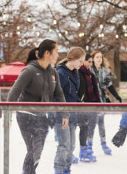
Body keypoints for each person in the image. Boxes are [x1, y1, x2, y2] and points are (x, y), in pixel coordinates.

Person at [7, 39, 67, 174]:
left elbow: (59, 95)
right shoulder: (29, 71)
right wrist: (8, 115)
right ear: (47, 53)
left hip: (41, 116)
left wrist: (65, 114)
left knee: (36, 151)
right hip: (25, 115)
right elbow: (13, 94)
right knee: (33, 149)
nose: (58, 55)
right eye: (56, 51)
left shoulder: (53, 73)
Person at [54, 46, 84, 174]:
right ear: (72, 58)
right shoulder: (60, 73)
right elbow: (56, 95)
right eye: (80, 61)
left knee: (71, 145)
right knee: (64, 145)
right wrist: (61, 112)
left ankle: (67, 169)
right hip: (62, 115)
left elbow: (73, 94)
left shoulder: (75, 72)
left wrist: (80, 103)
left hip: (73, 113)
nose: (82, 64)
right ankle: (59, 170)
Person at [92, 51, 122, 156]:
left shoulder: (105, 70)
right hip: (91, 100)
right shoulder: (89, 70)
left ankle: (103, 143)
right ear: (93, 58)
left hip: (101, 100)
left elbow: (109, 85)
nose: (99, 59)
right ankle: (88, 145)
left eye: (100, 57)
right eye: (97, 57)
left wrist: (116, 95)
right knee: (90, 123)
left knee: (101, 122)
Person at [77, 53, 102, 163]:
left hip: (91, 105)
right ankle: (82, 150)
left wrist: (99, 104)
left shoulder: (91, 74)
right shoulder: (78, 72)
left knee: (89, 127)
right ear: (84, 61)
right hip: (82, 104)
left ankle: (86, 149)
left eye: (92, 62)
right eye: (89, 61)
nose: (91, 64)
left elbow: (96, 89)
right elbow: (80, 89)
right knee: (83, 127)